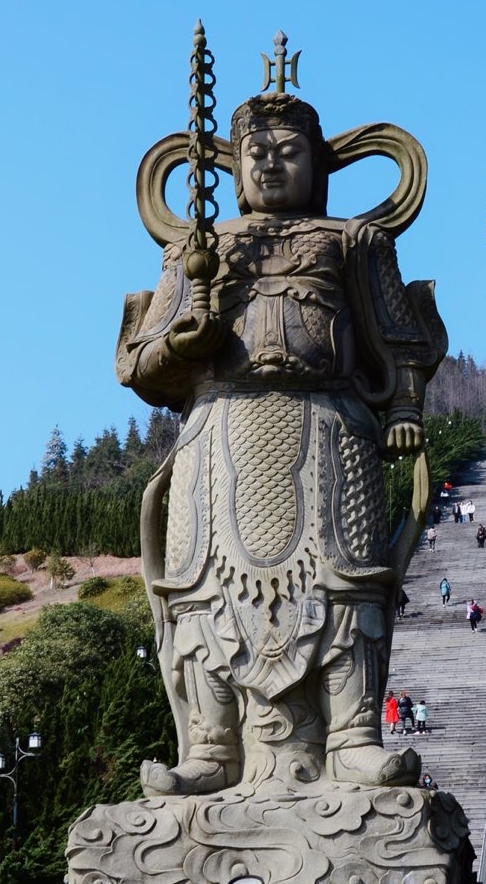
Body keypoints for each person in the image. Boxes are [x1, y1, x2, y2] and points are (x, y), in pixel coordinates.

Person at [119, 67, 446, 799]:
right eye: (256, 153)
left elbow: (402, 340)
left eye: (289, 151)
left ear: (319, 165)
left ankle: (353, 738)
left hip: (327, 425)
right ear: (233, 170)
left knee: (346, 579)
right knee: (201, 586)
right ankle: (212, 747)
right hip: (218, 432)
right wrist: (187, 340)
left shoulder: (352, 241)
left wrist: (404, 409)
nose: (270, 164)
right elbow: (141, 362)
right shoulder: (194, 248)